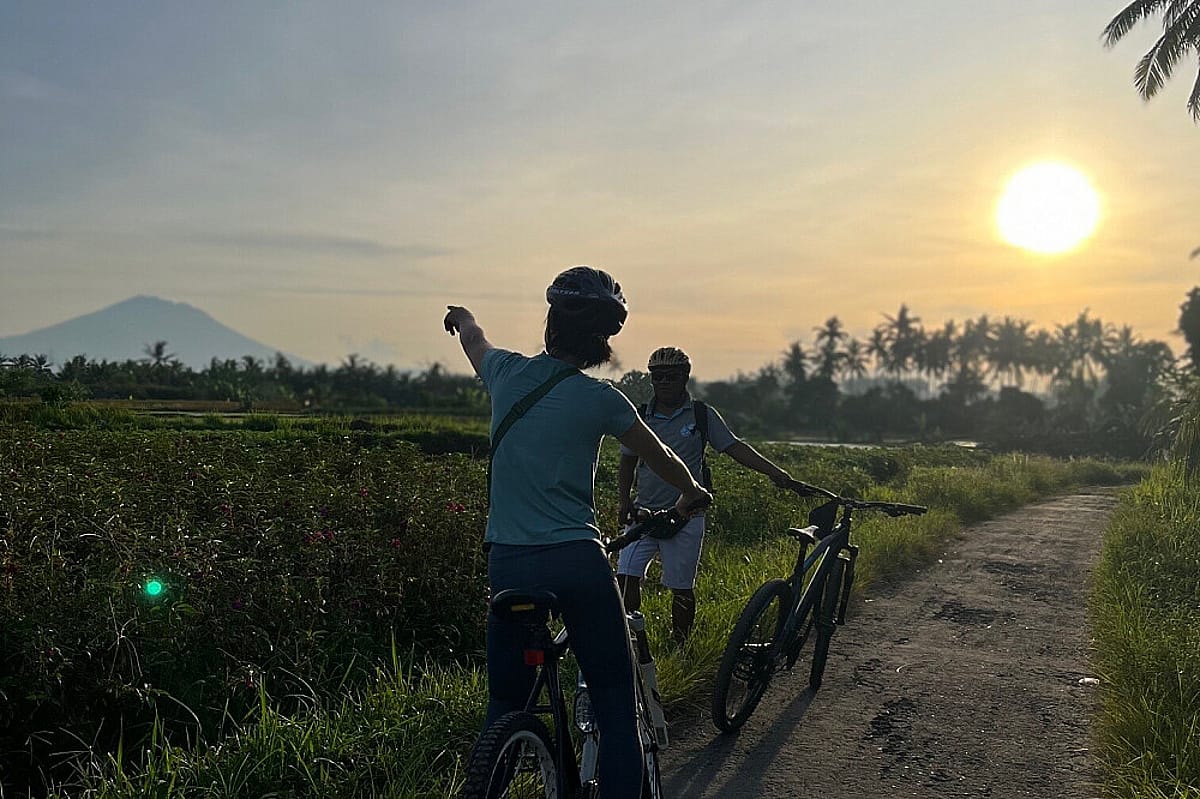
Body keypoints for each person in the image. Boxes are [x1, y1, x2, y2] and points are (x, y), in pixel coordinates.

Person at [444, 267, 710, 798]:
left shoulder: (504, 371)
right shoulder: (603, 400)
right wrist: (693, 496)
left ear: (550, 323)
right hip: (577, 562)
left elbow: (474, 338)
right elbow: (662, 458)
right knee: (613, 703)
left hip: (509, 563)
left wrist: (462, 317)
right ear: (602, 341)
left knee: (505, 704)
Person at [616, 346, 795, 642]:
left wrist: (774, 472)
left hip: (688, 513)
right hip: (644, 512)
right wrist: (623, 499)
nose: (663, 383)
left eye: (670, 377)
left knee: (681, 588)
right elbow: (626, 462)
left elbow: (734, 447)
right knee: (626, 577)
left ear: (685, 377)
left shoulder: (701, 415)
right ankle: (630, 638)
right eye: (657, 377)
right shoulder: (641, 416)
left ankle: (681, 644)